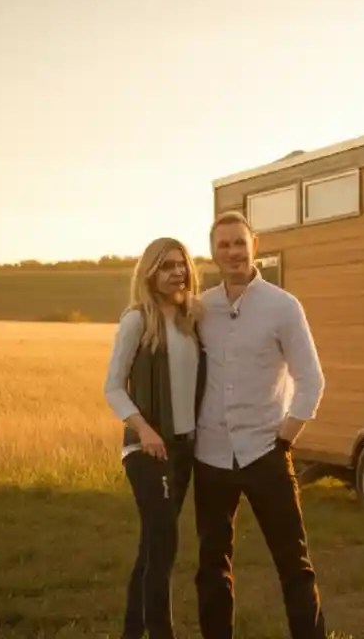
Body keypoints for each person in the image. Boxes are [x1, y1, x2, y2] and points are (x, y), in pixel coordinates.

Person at [193, 210, 327, 639]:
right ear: (213, 251)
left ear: (256, 245)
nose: (232, 251)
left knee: (294, 563)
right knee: (212, 565)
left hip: (265, 452)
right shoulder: (201, 309)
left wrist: (286, 438)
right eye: (223, 244)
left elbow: (311, 378)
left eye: (239, 242)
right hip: (211, 456)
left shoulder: (283, 307)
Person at [102, 237, 206, 639]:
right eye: (166, 266)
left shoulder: (189, 319)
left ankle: (131, 633)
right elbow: (112, 387)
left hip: (183, 448)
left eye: (181, 264)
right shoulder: (136, 321)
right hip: (146, 450)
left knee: (151, 549)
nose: (176, 272)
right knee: (164, 548)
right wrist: (145, 430)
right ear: (149, 273)